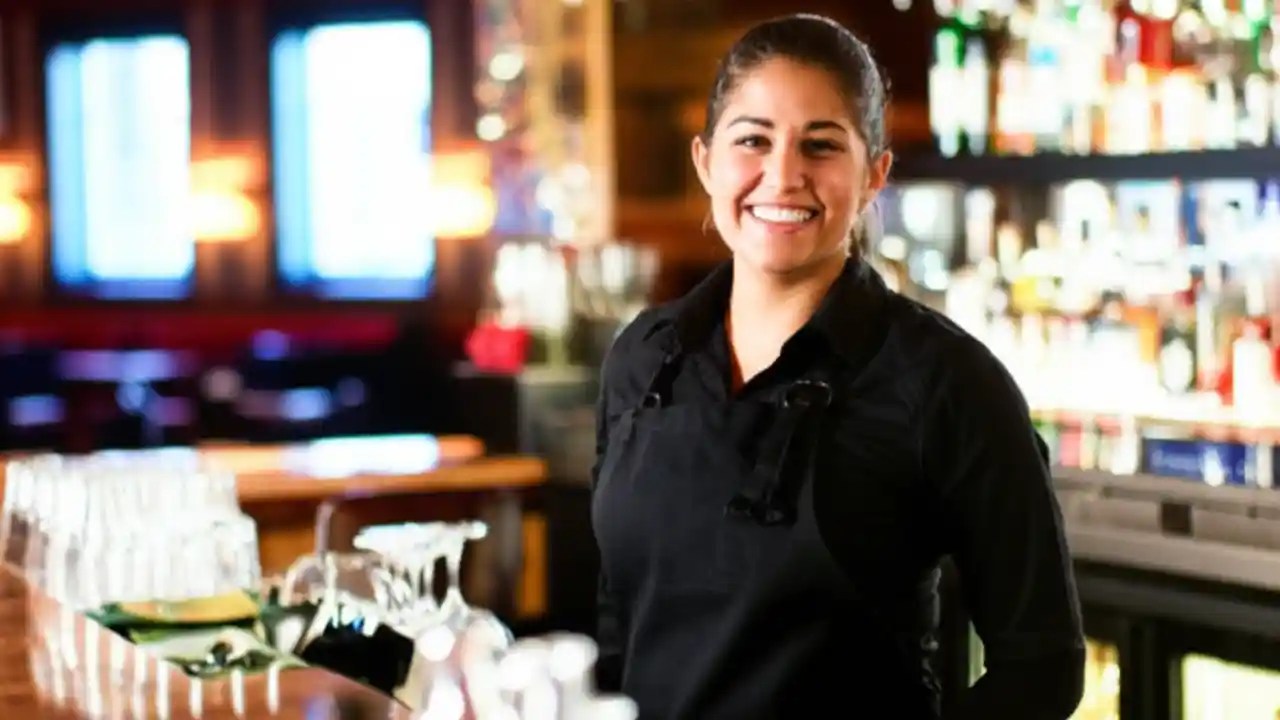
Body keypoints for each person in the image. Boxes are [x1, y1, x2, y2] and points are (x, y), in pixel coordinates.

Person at [589, 13, 1085, 720]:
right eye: (752, 140)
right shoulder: (641, 357)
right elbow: (618, 620)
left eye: (820, 146)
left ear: (874, 173)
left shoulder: (947, 382)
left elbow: (1043, 666)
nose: (782, 175)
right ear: (706, 162)